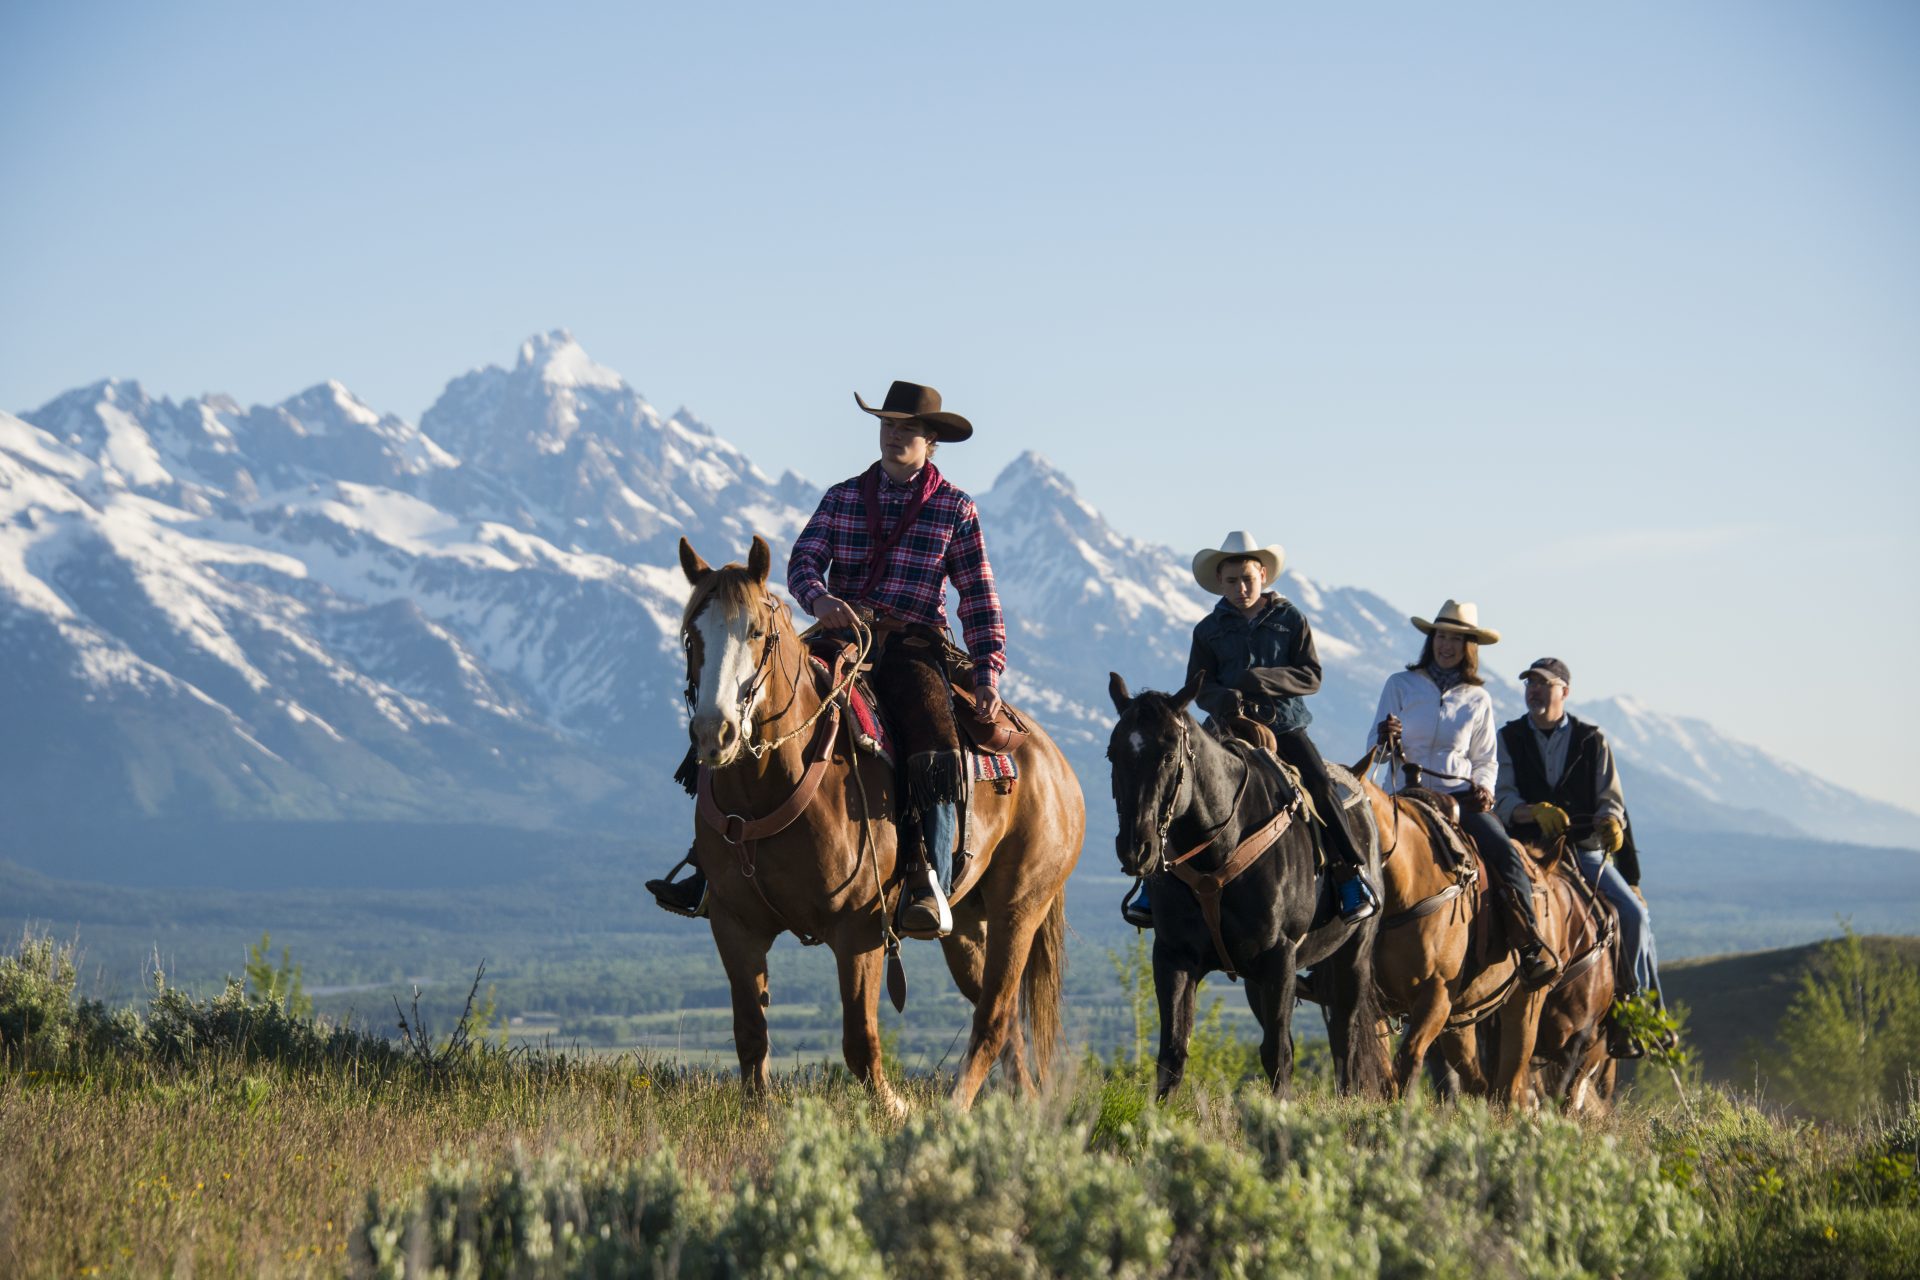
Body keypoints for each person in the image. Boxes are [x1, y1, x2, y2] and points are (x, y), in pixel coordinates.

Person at [649, 380, 1004, 939]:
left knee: (934, 742)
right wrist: (820, 599)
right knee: (748, 700)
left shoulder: (955, 509)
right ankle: (708, 863)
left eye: (907, 428)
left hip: (912, 644)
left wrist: (986, 672)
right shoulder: (843, 497)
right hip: (839, 635)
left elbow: (978, 597)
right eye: (887, 425)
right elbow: (805, 560)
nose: (894, 436)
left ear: (930, 440)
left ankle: (927, 877)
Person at [1120, 531, 1379, 929]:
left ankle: (1349, 875)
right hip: (1224, 730)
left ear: (1263, 575)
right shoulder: (1207, 630)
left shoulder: (1291, 620)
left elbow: (1312, 676)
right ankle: (1153, 883)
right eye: (1231, 581)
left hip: (1286, 725)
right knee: (1178, 786)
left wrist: (1261, 679)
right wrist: (1219, 697)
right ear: (1219, 583)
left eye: (1247, 579)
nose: (1241, 588)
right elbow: (1197, 686)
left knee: (1320, 786)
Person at [1372, 600, 1559, 988]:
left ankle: (1527, 944)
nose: (1447, 645)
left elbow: (1485, 759)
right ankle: (1330, 948)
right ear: (1432, 639)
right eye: (1442, 636)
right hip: (1405, 795)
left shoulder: (1478, 698)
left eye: (1456, 639)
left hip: (1459, 797)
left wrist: (1486, 791)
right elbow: (1375, 746)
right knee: (1352, 846)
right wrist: (1386, 739)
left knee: (1505, 853)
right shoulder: (1399, 685)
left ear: (1468, 646)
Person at [1496, 656, 1664, 1057]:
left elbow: (1611, 800)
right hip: (1529, 853)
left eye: (1544, 684)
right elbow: (1502, 796)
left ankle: (1632, 1008)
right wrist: (1529, 812)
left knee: (1633, 914)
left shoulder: (1593, 740)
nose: (1534, 690)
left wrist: (1611, 823)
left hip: (1584, 853)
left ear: (1564, 692)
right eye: (1530, 684)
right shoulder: (1509, 737)